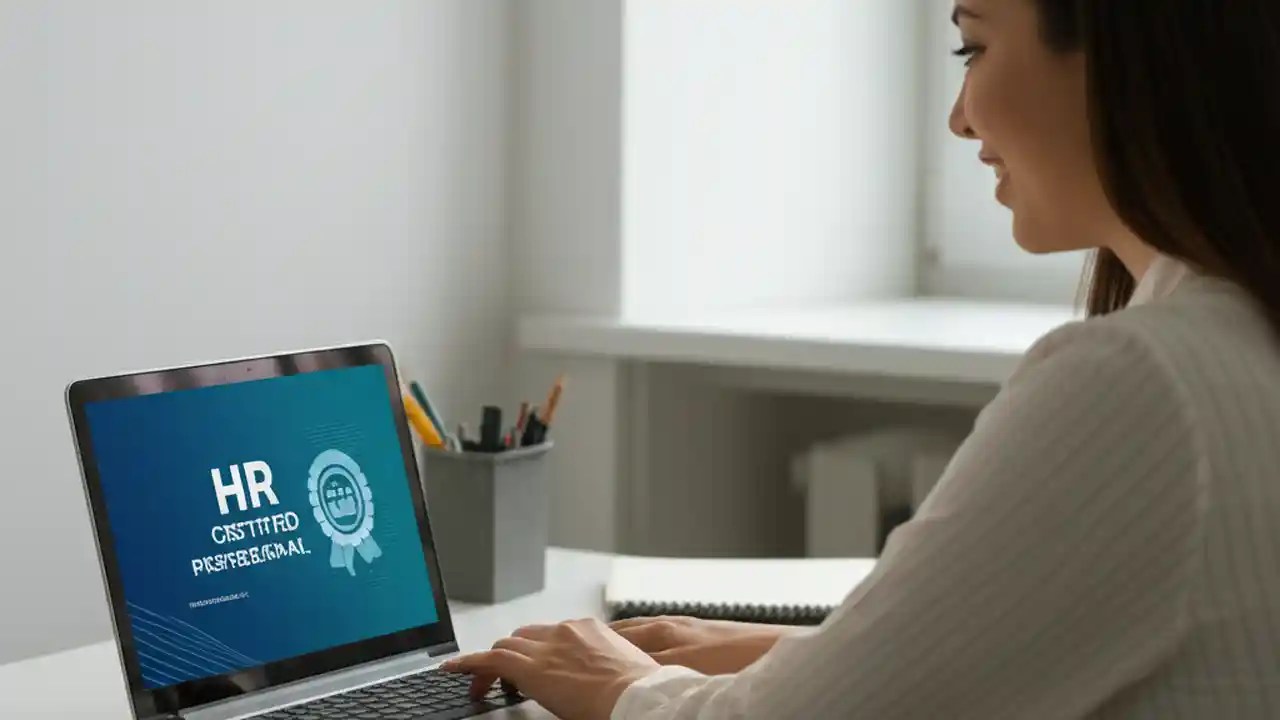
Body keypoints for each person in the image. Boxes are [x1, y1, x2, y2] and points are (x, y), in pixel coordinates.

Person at [444, 0, 1280, 716]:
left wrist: (622, 685)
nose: (959, 116)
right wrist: (795, 651)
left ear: (1117, 56)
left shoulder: (1143, 384)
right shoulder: (1236, 335)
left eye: (974, 47)